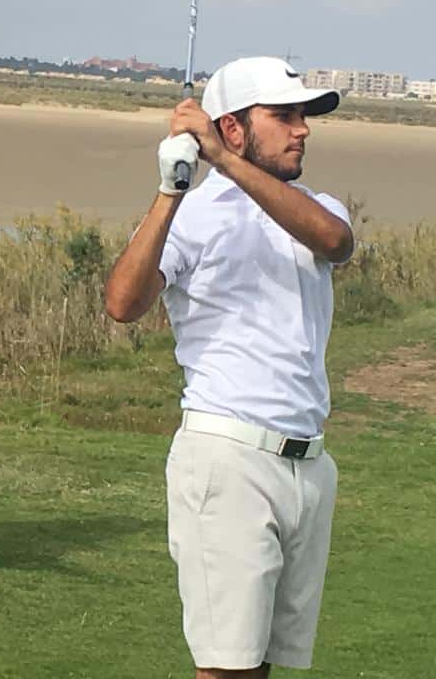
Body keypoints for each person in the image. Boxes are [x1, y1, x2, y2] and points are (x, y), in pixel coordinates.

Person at [104, 57, 354, 677]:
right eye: (285, 115)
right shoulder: (194, 214)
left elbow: (335, 242)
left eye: (305, 116)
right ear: (234, 127)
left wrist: (223, 160)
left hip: (310, 464)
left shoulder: (314, 205)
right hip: (229, 457)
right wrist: (170, 190)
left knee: (267, 661)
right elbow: (123, 303)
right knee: (227, 666)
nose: (303, 129)